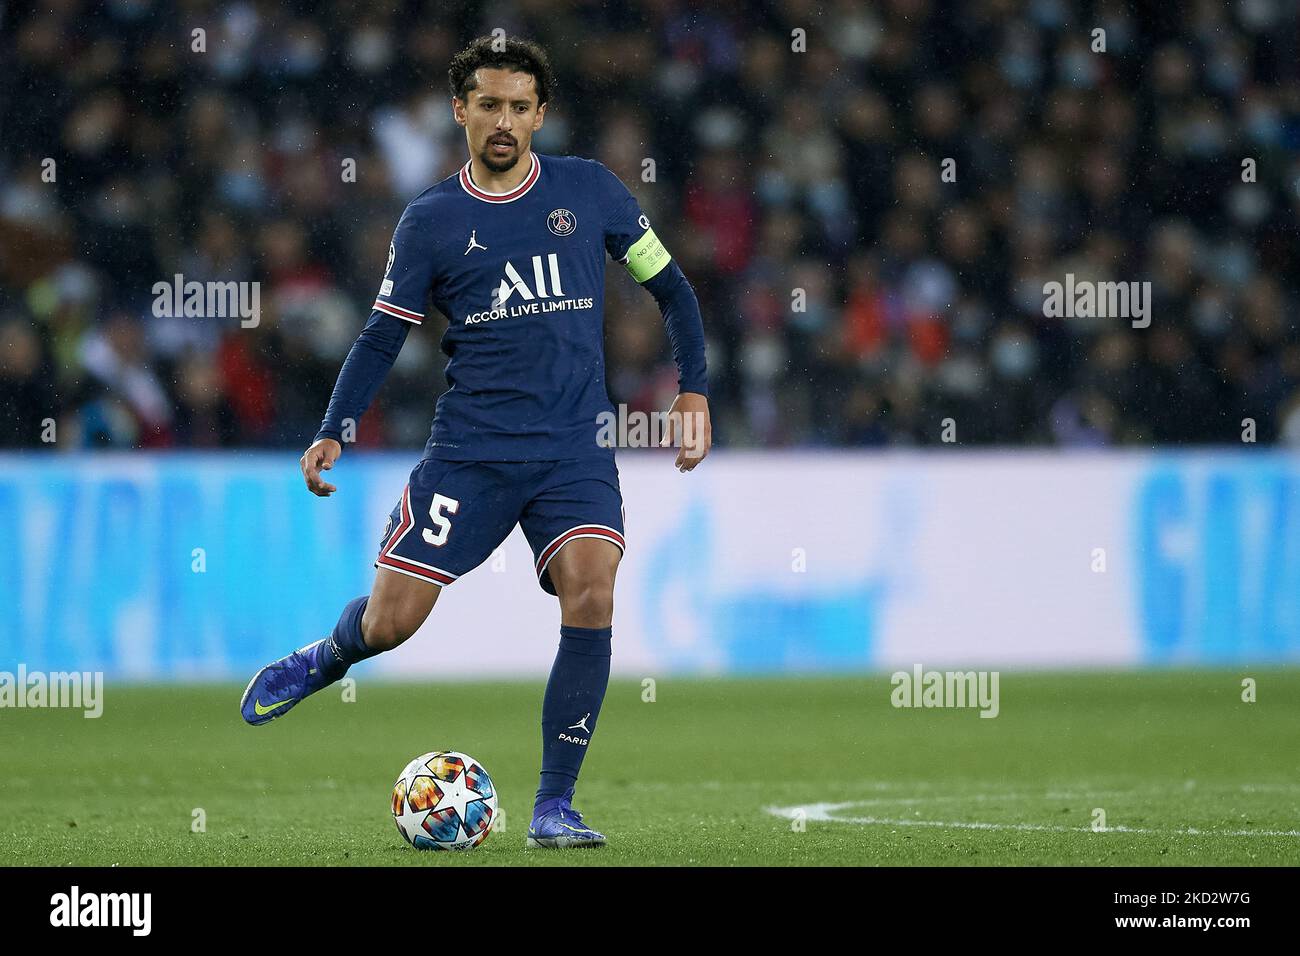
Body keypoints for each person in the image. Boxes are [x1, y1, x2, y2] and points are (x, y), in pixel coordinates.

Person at [239, 35, 711, 849]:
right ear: (460, 110)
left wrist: (693, 388)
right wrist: (332, 430)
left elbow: (672, 288)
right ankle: (324, 657)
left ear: (541, 115)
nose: (504, 121)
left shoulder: (590, 192)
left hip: (573, 450)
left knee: (592, 590)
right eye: (488, 104)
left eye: (520, 107)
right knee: (392, 625)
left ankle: (554, 805)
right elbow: (382, 336)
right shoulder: (431, 220)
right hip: (471, 453)